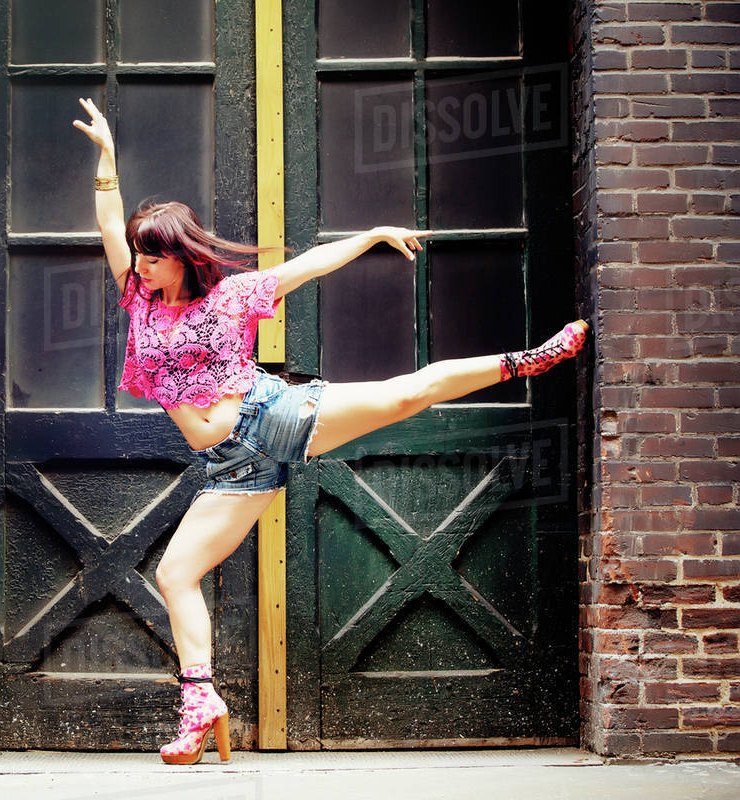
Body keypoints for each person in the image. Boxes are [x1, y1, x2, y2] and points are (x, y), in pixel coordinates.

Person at [73, 98, 588, 765]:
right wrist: (108, 161)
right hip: (233, 467)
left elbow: (306, 267)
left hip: (271, 416)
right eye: (138, 255)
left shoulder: (229, 298)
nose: (139, 264)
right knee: (175, 574)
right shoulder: (136, 297)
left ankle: (526, 359)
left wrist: (371, 235)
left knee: (407, 393)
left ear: (182, 257)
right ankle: (200, 703)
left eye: (152, 255)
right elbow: (110, 223)